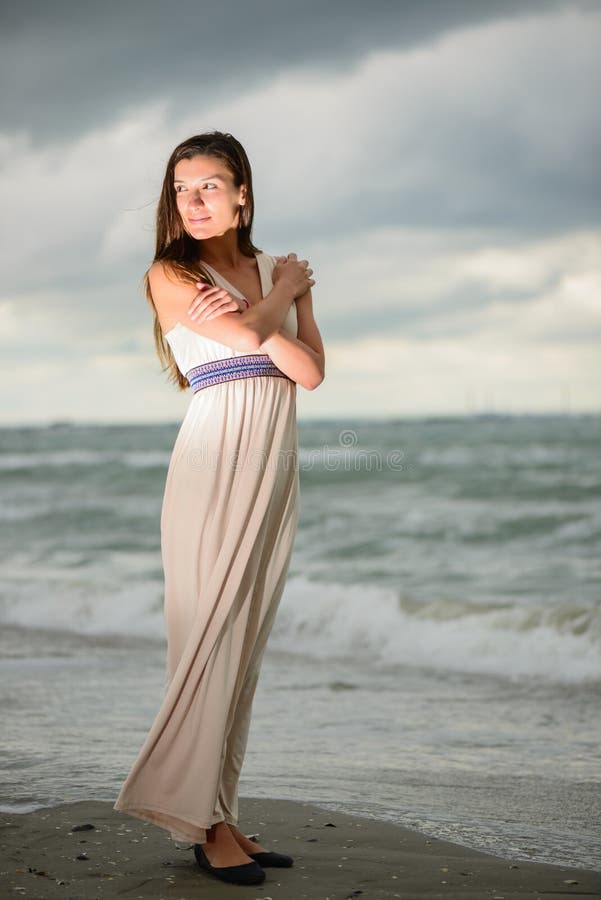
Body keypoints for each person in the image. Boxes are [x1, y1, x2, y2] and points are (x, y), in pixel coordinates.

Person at [112, 130, 325, 886]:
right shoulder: (171, 273)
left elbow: (309, 371)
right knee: (208, 638)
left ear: (241, 192)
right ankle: (196, 823)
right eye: (180, 189)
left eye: (208, 185)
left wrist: (268, 307)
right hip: (211, 461)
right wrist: (279, 300)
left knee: (243, 643)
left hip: (271, 466)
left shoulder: (271, 268)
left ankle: (221, 812)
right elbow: (243, 335)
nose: (193, 201)